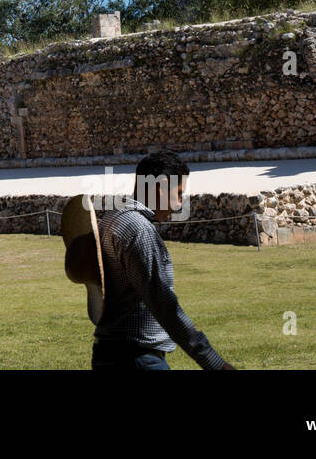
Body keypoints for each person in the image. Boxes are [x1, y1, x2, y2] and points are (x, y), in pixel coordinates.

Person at [90, 151, 235, 371]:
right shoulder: (139, 230)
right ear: (161, 187)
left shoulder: (111, 218)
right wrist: (214, 363)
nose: (178, 204)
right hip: (136, 359)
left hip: (109, 354)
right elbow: (165, 306)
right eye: (178, 194)